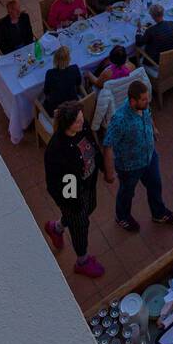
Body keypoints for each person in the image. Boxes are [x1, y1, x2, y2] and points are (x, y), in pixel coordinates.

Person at [102, 80, 173, 232]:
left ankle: (158, 213)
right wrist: (109, 173)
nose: (148, 101)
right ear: (132, 101)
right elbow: (108, 145)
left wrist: (154, 129)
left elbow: (148, 115)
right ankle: (122, 217)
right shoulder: (120, 120)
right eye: (144, 99)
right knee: (127, 193)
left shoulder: (143, 105)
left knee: (155, 185)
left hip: (150, 157)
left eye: (147, 98)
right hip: (130, 166)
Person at [43, 100, 104, 278]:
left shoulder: (82, 129)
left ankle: (57, 227)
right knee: (80, 226)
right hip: (72, 196)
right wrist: (73, 205)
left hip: (88, 185)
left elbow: (93, 145)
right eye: (78, 120)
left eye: (81, 118)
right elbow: (59, 184)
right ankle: (82, 261)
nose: (82, 122)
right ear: (67, 125)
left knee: (90, 208)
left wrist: (102, 167)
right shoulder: (58, 150)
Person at [43, 44, 84, 115]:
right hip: (73, 107)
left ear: (55, 60)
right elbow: (78, 83)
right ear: (69, 59)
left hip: (57, 111)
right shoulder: (74, 69)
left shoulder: (50, 73)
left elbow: (46, 91)